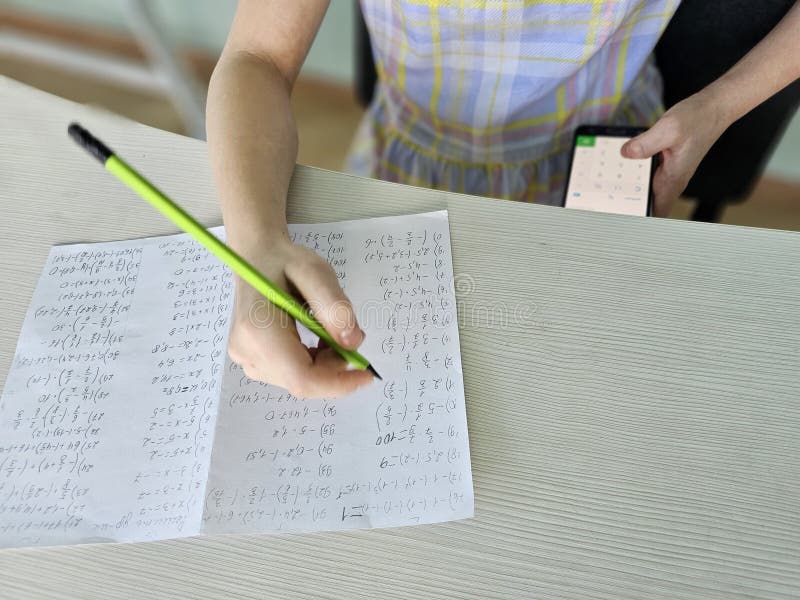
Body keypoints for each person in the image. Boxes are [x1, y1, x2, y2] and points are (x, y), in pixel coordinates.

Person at [206, 0, 800, 398]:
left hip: (601, 170)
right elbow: (257, 57)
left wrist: (719, 105)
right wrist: (255, 239)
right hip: (403, 165)